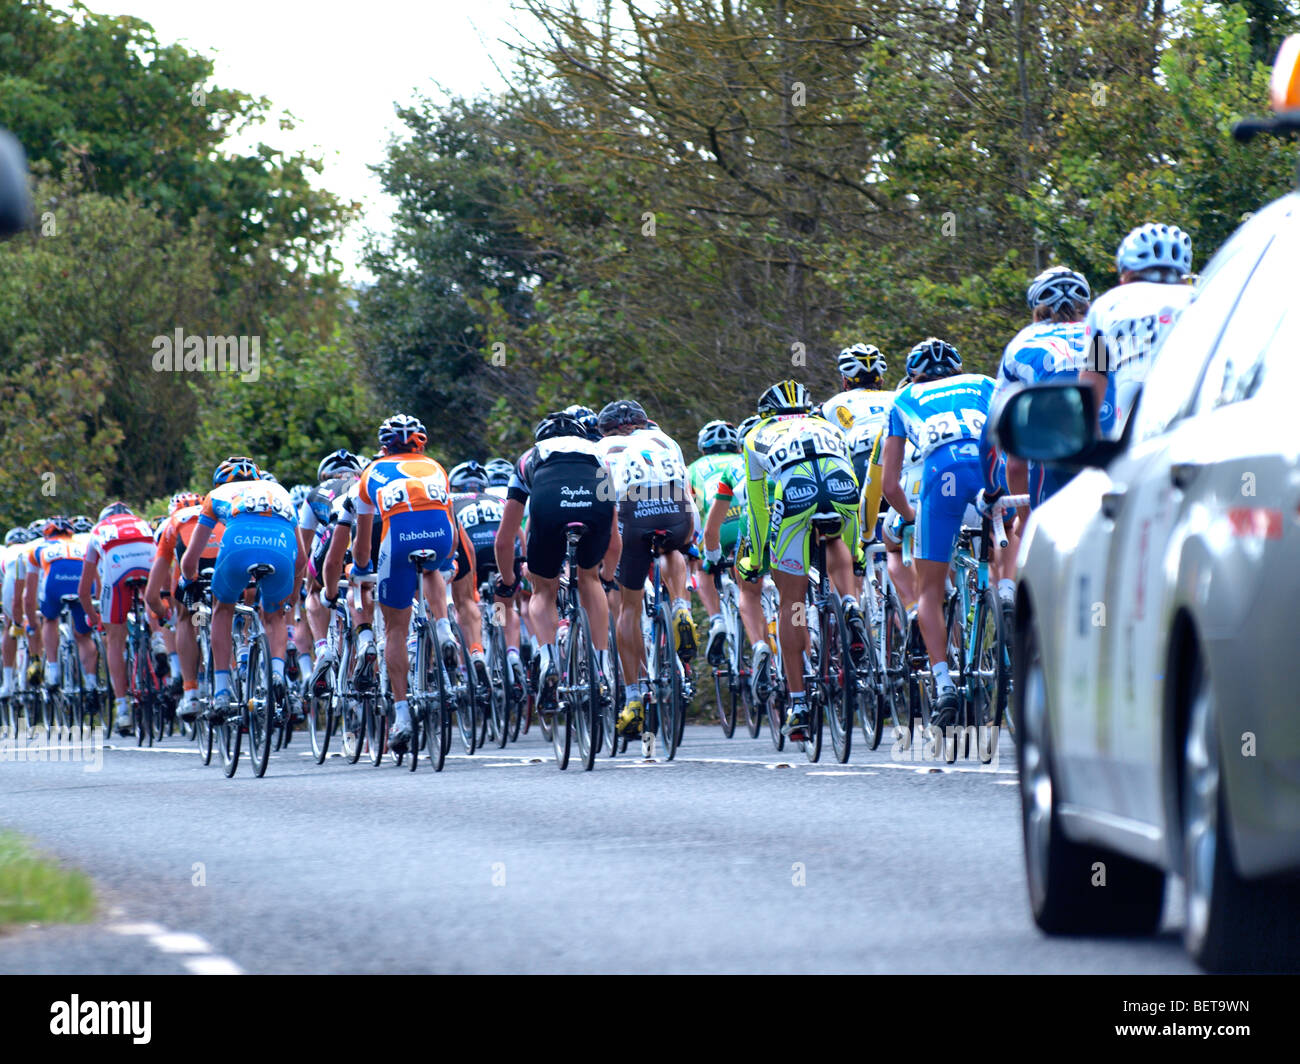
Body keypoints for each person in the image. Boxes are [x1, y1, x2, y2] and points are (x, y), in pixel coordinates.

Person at [737, 380, 865, 741]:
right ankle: (851, 604)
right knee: (836, 537)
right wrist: (855, 548)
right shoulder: (827, 422)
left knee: (790, 601)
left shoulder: (755, 435)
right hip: (842, 485)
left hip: (796, 492)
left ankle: (799, 705)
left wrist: (759, 559)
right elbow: (851, 471)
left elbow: (760, 508)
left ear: (766, 413)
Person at [879, 339, 995, 735]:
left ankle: (944, 681)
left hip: (941, 480)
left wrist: (914, 518)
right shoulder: (982, 383)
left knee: (929, 590)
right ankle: (1003, 595)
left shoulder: (903, 398)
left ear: (914, 374)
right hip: (988, 473)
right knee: (1002, 543)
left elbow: (889, 486)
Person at [493, 411, 619, 717]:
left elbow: (505, 537)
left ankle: (548, 657)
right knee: (590, 580)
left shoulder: (529, 457)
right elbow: (614, 537)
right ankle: (602, 667)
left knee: (543, 590)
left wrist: (509, 580)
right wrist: (608, 576)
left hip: (549, 504)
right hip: (594, 504)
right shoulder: (597, 454)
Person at [349, 415, 459, 755]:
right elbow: (451, 526)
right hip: (441, 536)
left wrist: (361, 569)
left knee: (396, 629)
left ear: (384, 446)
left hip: (398, 538)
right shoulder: (436, 467)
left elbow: (364, 545)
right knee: (432, 570)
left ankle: (402, 717)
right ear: (420, 443)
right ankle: (444, 630)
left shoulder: (370, 474)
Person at [595, 399, 697, 738]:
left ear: (606, 429)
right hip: (676, 508)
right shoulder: (666, 440)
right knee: (673, 548)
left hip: (632, 512)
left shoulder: (601, 449)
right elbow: (687, 489)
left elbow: (603, 504)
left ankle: (634, 697)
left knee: (629, 606)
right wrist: (689, 536)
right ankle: (681, 606)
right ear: (644, 422)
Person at [179, 457, 305, 723]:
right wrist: (289, 597)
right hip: (282, 549)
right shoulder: (279, 491)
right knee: (274, 615)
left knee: (222, 608)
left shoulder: (215, 495)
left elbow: (191, 559)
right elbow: (302, 559)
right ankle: (277, 675)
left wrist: (188, 580)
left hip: (238, 544)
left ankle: (222, 692)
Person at [1080, 222, 1194, 438]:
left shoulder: (1107, 305)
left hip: (1135, 438)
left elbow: (1091, 383)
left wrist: (1091, 449)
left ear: (1125, 275)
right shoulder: (1197, 298)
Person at [77, 503, 155, 734]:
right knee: (157, 602)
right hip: (148, 555)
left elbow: (84, 590)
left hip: (117, 564)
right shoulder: (143, 524)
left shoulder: (98, 530)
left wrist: (94, 618)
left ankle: (122, 709)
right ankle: (161, 642)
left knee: (115, 639)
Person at [146, 492, 219, 721]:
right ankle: (233, 678)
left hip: (190, 561)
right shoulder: (216, 512)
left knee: (186, 616)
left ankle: (191, 693)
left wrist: (166, 617)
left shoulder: (169, 524)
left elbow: (151, 595)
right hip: (223, 548)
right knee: (222, 612)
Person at [22, 516, 96, 723]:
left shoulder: (37, 549)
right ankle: (91, 686)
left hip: (56, 584)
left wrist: (32, 624)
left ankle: (53, 672)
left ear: (47, 533)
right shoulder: (82, 545)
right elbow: (96, 578)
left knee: (50, 620)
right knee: (83, 636)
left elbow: (29, 594)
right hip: (83, 584)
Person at [687, 420, 744, 665]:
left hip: (718, 525)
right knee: (748, 570)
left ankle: (716, 620)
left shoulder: (693, 468)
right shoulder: (744, 461)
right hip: (750, 523)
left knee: (702, 567)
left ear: (703, 449)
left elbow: (692, 512)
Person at [822, 343, 894, 492]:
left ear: (845, 381)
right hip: (900, 457)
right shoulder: (897, 397)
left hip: (862, 461)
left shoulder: (833, 403)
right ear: (881, 380)